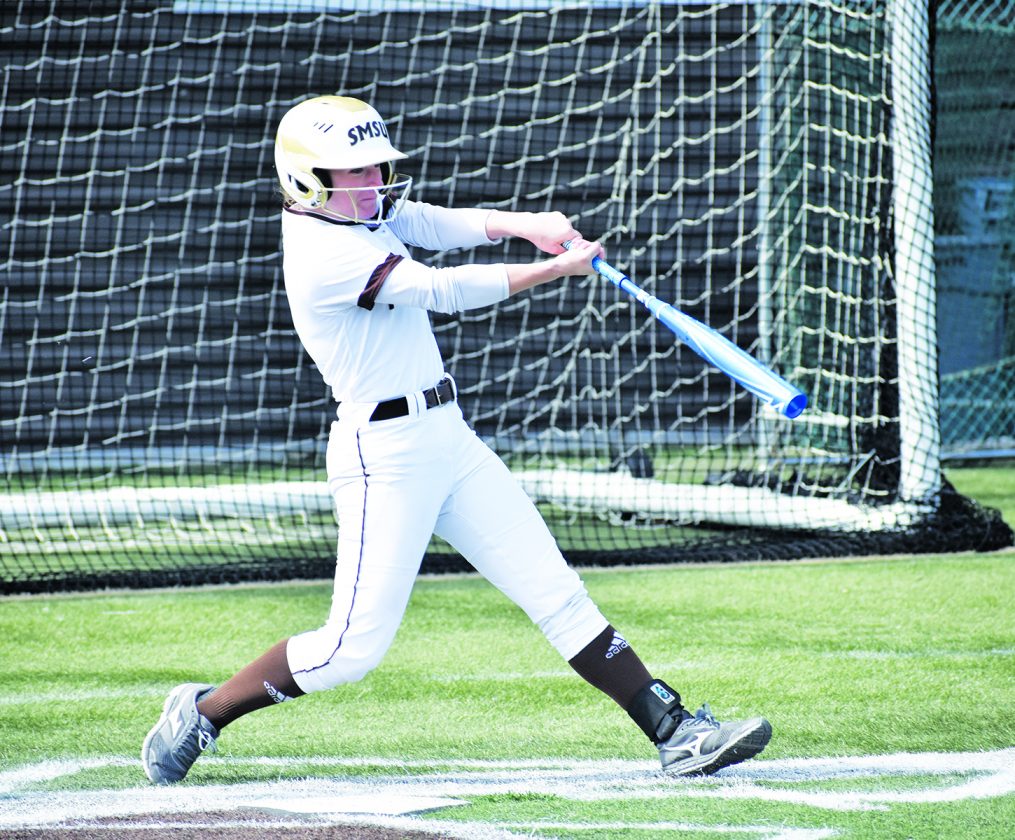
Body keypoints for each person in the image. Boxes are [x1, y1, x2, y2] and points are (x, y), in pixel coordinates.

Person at [141, 95, 771, 785]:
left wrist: (526, 225)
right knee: (350, 652)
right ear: (306, 177)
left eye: (378, 166)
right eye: (355, 171)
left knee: (555, 592)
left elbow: (436, 222)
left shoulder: (366, 211)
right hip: (383, 457)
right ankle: (204, 709)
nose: (374, 181)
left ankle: (674, 730)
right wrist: (551, 270)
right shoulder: (324, 251)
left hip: (448, 436)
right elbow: (438, 290)